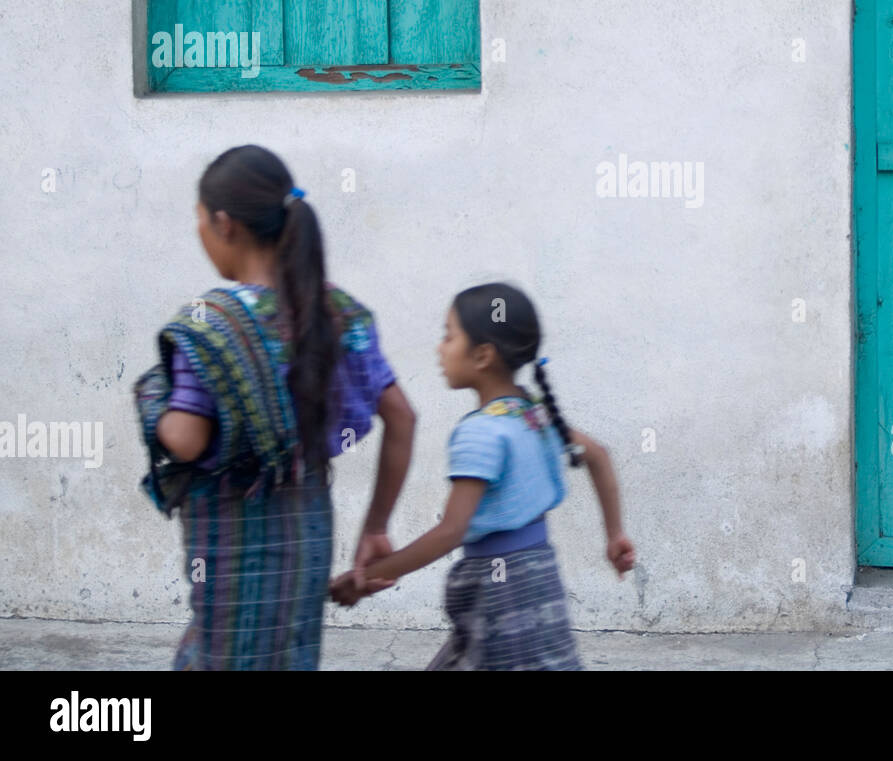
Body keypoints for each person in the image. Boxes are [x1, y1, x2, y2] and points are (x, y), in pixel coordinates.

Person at [133, 144, 416, 670]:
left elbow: (187, 439)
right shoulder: (340, 312)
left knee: (225, 654)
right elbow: (403, 416)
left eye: (197, 221)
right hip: (307, 523)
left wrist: (153, 396)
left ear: (224, 224)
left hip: (233, 535)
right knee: (289, 651)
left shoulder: (211, 324)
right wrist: (376, 527)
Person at [330, 282, 634, 671]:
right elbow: (599, 454)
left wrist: (365, 577)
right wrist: (614, 535)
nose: (440, 348)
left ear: (483, 355)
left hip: (500, 594)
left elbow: (450, 531)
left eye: (448, 336)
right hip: (539, 579)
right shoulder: (532, 413)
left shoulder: (480, 432)